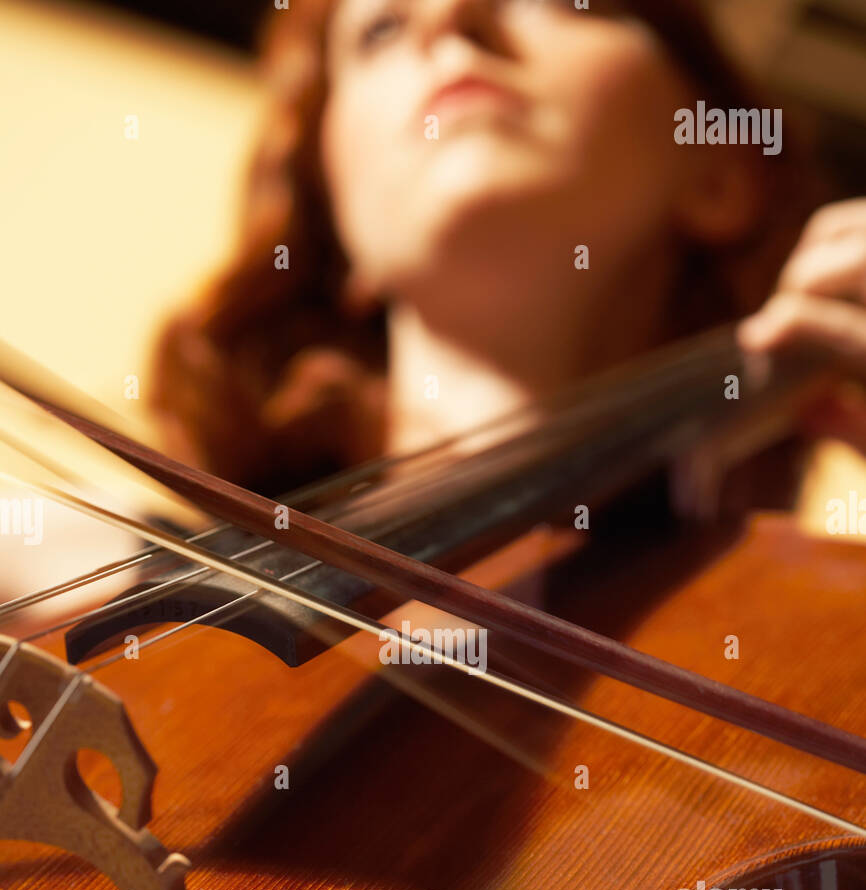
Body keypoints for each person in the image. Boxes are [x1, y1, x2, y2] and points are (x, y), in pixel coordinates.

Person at [151, 0, 866, 512]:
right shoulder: (116, 588)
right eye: (380, 29)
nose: (448, 15)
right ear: (338, 236)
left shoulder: (801, 625)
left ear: (719, 168)